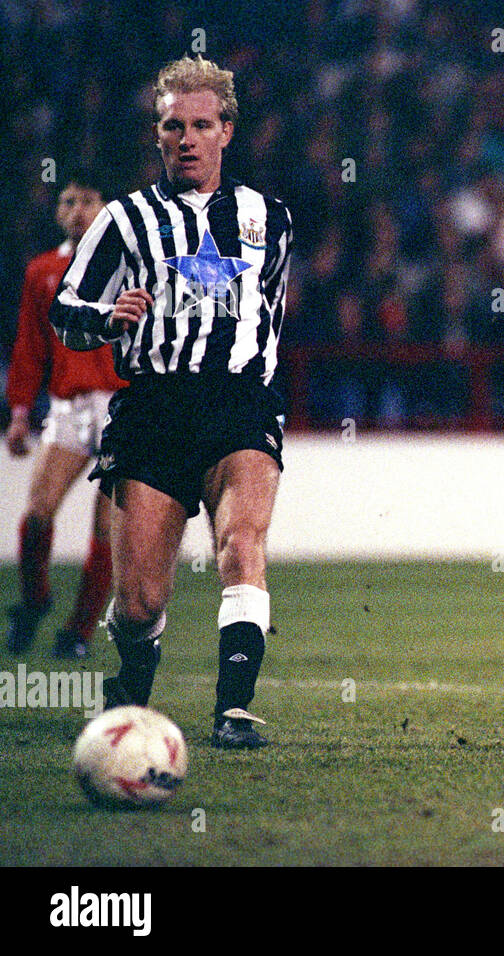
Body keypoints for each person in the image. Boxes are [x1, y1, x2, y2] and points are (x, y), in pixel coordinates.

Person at [50, 55, 293, 748]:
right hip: (154, 408)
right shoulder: (124, 220)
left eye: (201, 125)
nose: (186, 139)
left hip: (240, 404)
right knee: (140, 602)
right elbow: (65, 307)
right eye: (172, 126)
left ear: (227, 132)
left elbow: (268, 305)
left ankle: (234, 710)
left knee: (241, 542)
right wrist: (104, 319)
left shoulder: (267, 218)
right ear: (157, 134)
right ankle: (128, 690)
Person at [6, 171, 125, 659]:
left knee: (105, 530)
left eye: (89, 200)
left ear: (105, 210)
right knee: (37, 515)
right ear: (58, 210)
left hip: (123, 405)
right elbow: (30, 347)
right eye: (69, 200)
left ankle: (78, 632)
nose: (78, 210)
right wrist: (18, 412)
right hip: (70, 406)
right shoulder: (42, 271)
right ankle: (35, 599)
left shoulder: (127, 263)